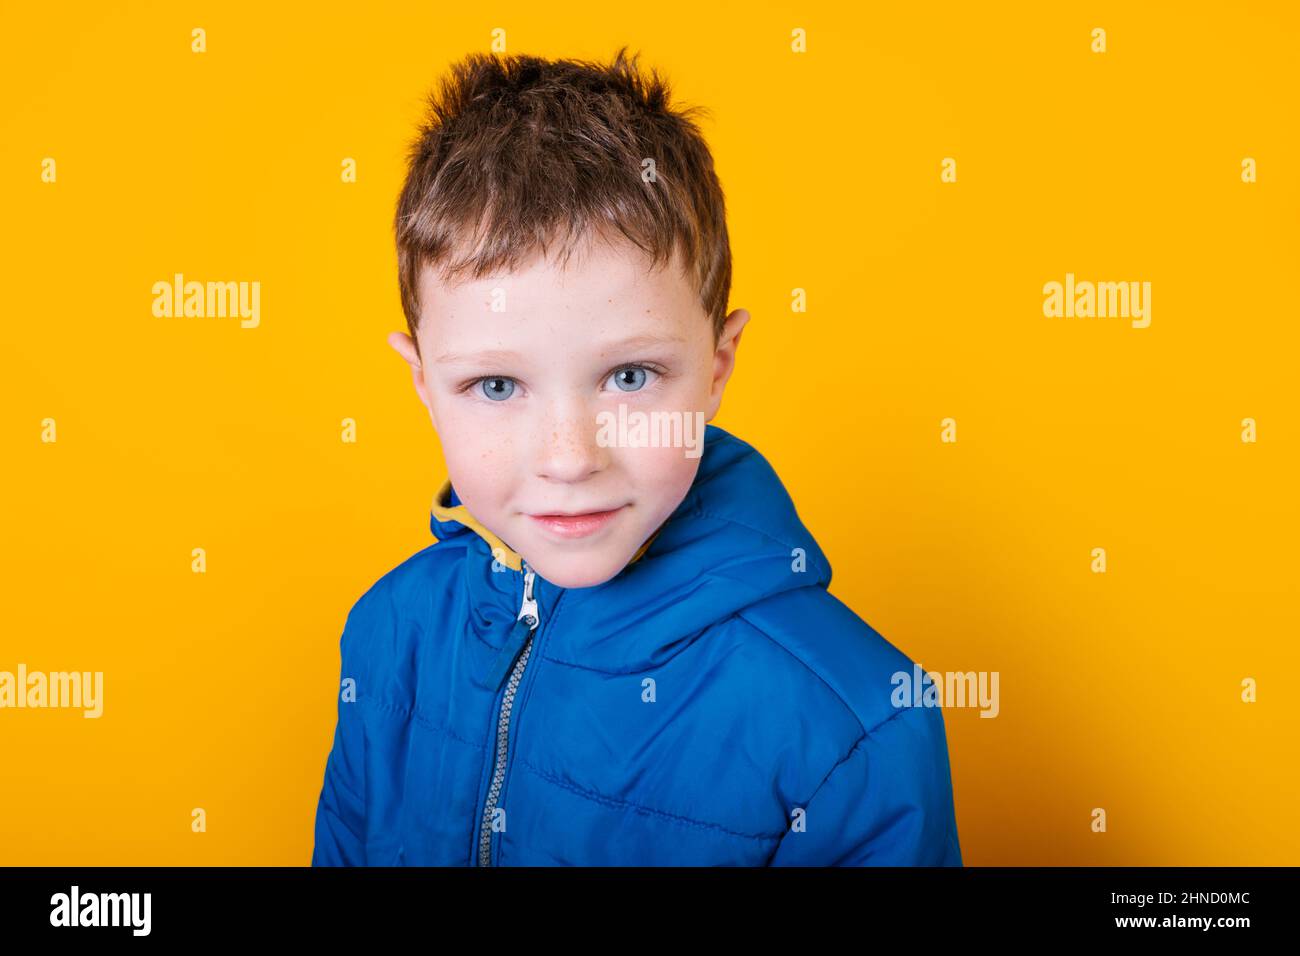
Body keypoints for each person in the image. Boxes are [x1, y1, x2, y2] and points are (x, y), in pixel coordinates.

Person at [312, 47, 961, 866]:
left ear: (716, 368)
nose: (569, 457)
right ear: (422, 383)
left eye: (629, 376)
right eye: (497, 386)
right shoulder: (388, 631)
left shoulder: (854, 724)